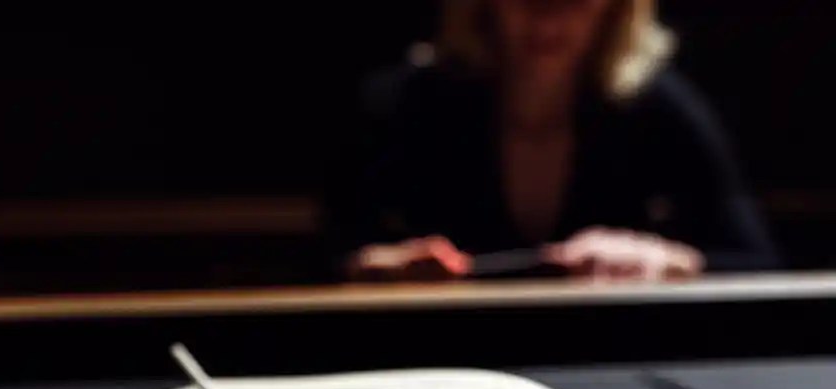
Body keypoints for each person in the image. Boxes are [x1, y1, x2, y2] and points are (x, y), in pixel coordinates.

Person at [328, 0, 780, 282]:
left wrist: (666, 259)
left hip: (607, 356)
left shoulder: (661, 106)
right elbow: (328, 255)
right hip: (441, 359)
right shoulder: (403, 101)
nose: (548, 14)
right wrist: (377, 266)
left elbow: (757, 261)